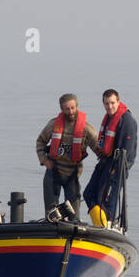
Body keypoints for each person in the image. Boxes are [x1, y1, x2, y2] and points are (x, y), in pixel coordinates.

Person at [36, 93, 99, 222]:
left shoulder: (87, 129)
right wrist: (44, 160)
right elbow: (40, 142)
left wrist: (107, 164)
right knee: (51, 214)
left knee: (73, 215)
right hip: (53, 172)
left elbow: (99, 150)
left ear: (77, 107)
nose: (70, 112)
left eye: (72, 108)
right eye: (67, 109)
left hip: (73, 175)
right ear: (61, 109)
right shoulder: (53, 125)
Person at [84, 90, 137, 227]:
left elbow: (128, 149)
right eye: (107, 104)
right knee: (88, 194)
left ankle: (108, 225)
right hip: (104, 162)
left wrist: (117, 168)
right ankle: (99, 224)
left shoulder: (127, 120)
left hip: (117, 167)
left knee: (106, 199)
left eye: (112, 103)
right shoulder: (108, 118)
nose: (110, 106)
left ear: (118, 102)